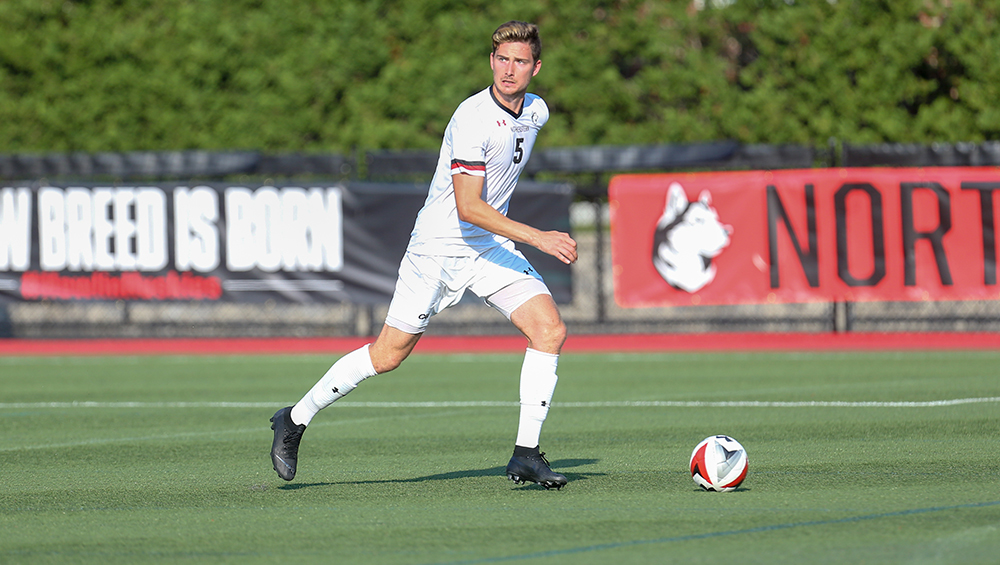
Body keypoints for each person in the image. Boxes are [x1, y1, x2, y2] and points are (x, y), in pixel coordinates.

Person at [269, 20, 577, 490]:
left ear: (536, 68)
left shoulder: (536, 110)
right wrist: (538, 237)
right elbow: (469, 207)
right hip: (437, 248)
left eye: (519, 61)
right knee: (388, 355)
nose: (508, 69)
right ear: (491, 61)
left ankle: (526, 455)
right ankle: (294, 418)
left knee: (549, 330)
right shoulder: (472, 118)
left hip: (487, 247)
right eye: (501, 59)